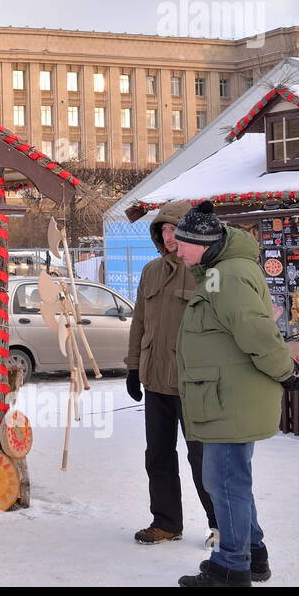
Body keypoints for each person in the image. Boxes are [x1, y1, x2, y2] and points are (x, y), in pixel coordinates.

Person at [171, 201, 299, 587]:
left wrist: (285, 371)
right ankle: (252, 554)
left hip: (230, 399)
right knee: (230, 481)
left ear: (203, 243)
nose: (176, 250)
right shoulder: (218, 272)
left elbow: (255, 331)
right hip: (225, 396)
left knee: (225, 483)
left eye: (182, 244)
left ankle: (232, 568)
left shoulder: (226, 275)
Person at [124, 201, 218, 547]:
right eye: (162, 230)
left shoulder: (207, 272)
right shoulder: (151, 271)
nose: (168, 237)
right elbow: (139, 324)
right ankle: (165, 522)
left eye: (174, 230)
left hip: (193, 382)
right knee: (158, 455)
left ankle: (220, 524)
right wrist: (133, 367)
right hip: (155, 381)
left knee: (203, 459)